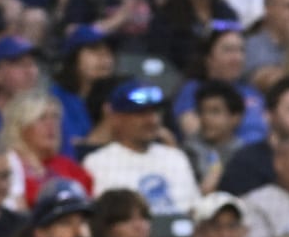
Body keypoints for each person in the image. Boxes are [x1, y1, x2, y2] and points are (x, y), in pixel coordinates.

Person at [81, 81, 200, 216]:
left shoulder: (175, 157)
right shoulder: (97, 162)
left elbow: (194, 210)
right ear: (117, 118)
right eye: (141, 113)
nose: (152, 120)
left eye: (155, 112)